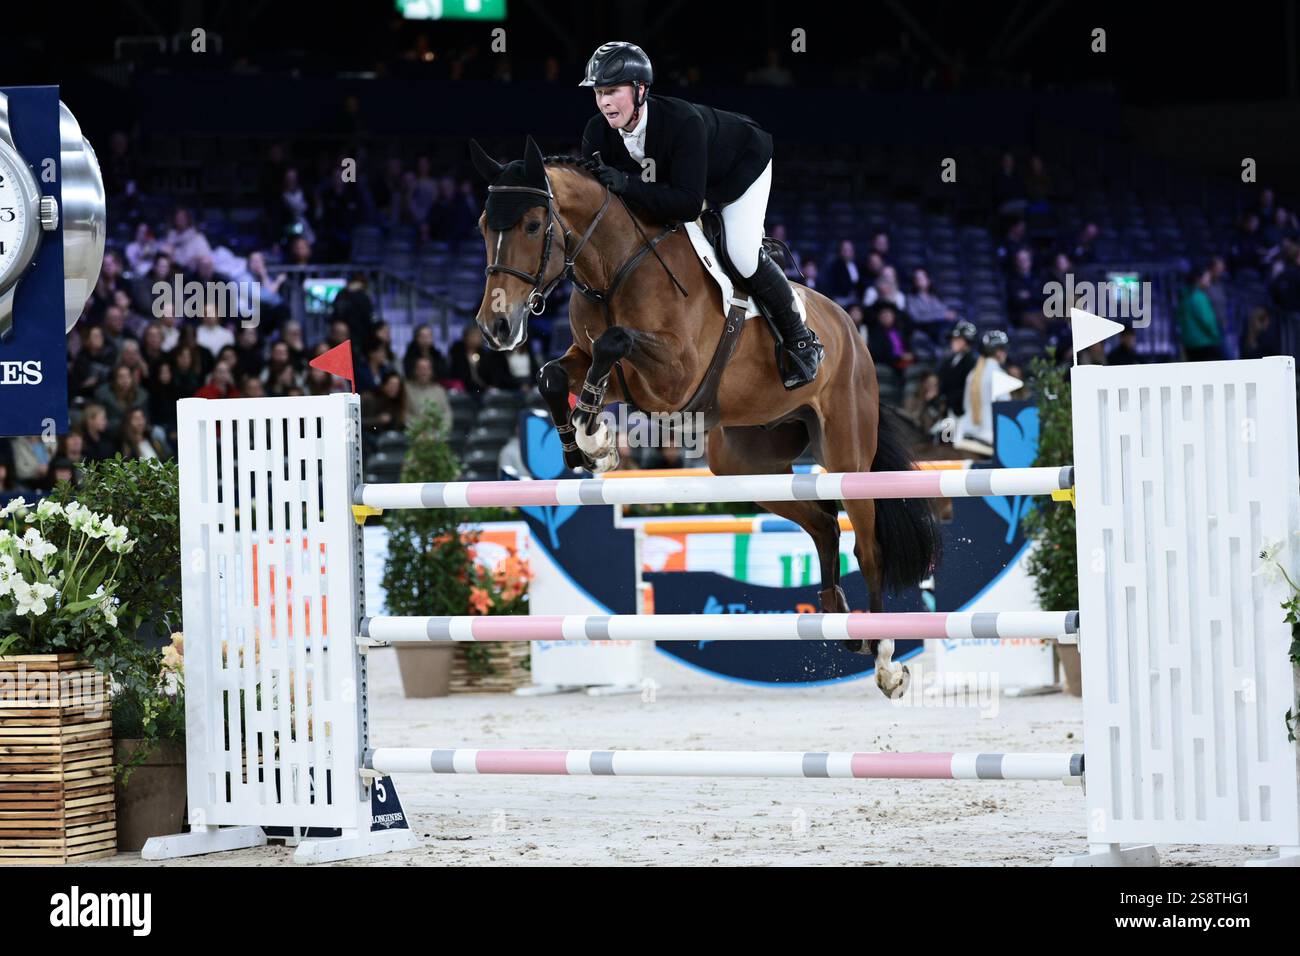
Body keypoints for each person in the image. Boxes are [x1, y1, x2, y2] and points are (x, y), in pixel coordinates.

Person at [578, 41, 822, 388]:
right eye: (599, 92)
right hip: (681, 183)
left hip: (738, 169)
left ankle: (801, 339)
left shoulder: (681, 123)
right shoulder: (597, 133)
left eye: (613, 91)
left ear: (640, 89)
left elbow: (688, 204)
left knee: (739, 251)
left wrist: (628, 186)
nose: (604, 101)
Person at [956, 330, 1014, 447]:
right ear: (998, 351)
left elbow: (964, 405)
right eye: (1004, 350)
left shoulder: (973, 373)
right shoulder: (999, 374)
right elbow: (1006, 408)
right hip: (989, 436)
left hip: (965, 432)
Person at [1178, 264, 1223, 361]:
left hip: (1189, 343)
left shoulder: (1184, 296)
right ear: (1199, 279)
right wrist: (1216, 336)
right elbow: (1207, 320)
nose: (1209, 280)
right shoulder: (1199, 297)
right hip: (1204, 344)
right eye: (1206, 277)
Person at [937, 321, 978, 417]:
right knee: (947, 432)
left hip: (964, 412)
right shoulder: (950, 360)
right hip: (950, 411)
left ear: (968, 341)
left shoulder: (972, 362)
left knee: (959, 432)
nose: (953, 342)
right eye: (953, 339)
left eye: (958, 339)